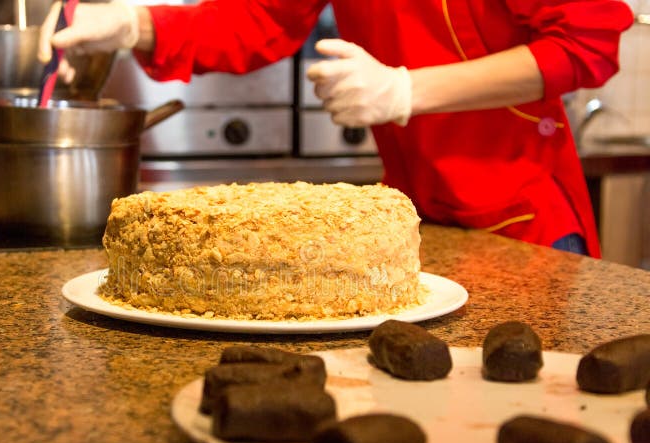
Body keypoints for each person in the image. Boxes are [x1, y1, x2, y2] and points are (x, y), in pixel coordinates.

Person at [38, 0, 635, 258]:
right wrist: (132, 24)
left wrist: (407, 91)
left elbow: (585, 46)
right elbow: (261, 18)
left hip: (523, 228)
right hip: (418, 219)